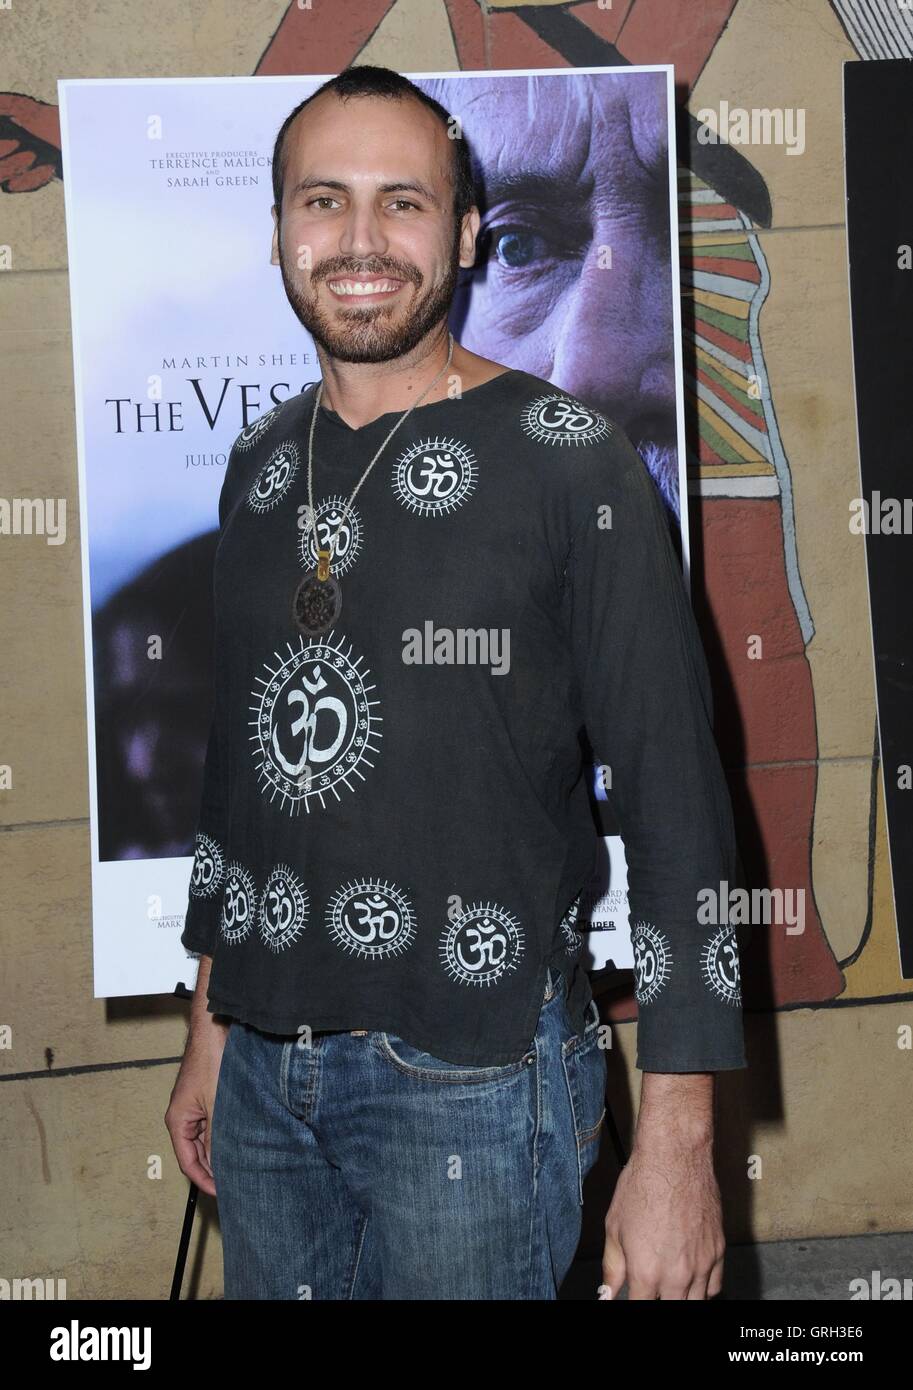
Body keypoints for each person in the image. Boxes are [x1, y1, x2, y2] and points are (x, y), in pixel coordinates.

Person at [165, 64, 746, 1302]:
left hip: (478, 1085)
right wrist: (207, 1031)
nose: (360, 241)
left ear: (467, 232)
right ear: (278, 229)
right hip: (267, 1080)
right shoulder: (260, 466)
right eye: (323, 202)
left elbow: (681, 808)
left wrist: (680, 1146)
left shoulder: (570, 465)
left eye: (404, 203)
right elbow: (241, 777)